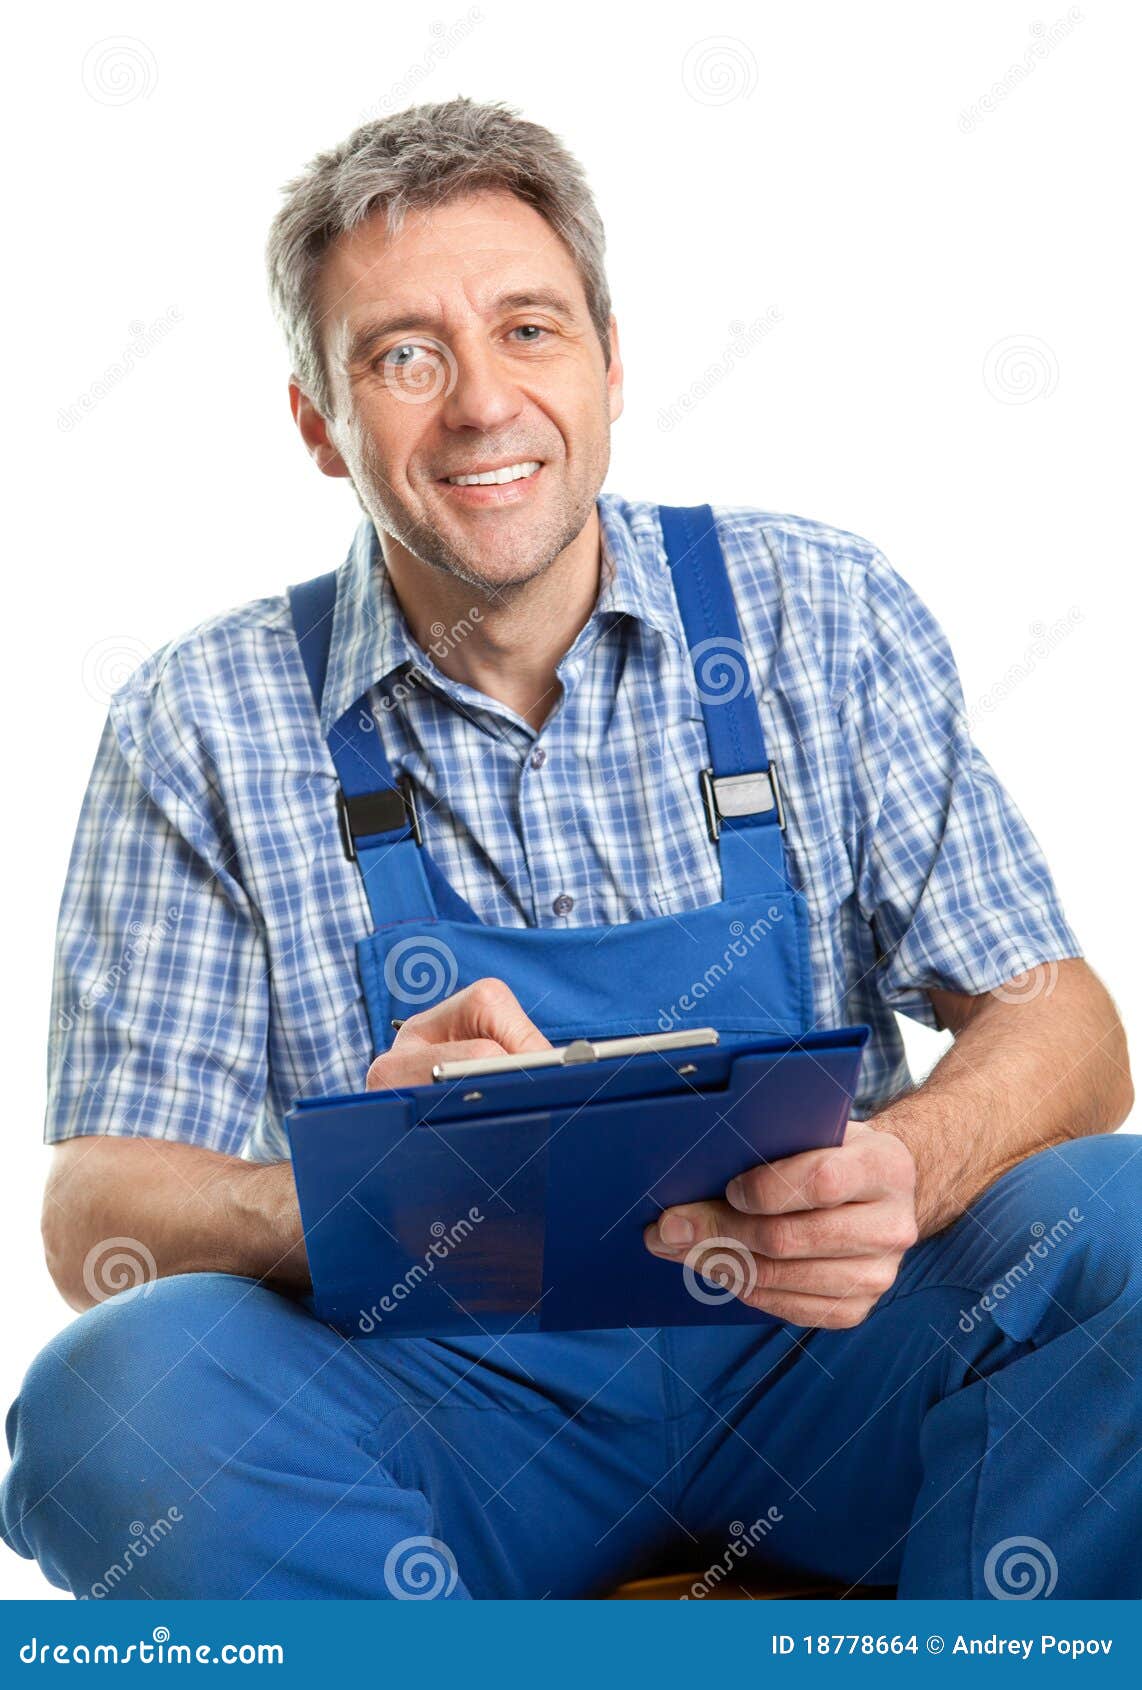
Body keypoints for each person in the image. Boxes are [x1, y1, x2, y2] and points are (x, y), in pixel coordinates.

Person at [1, 98, 1135, 1602]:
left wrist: (912, 1168)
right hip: (441, 1409)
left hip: (828, 1355)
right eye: (402, 355)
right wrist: (373, 1199)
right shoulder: (201, 719)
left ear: (609, 362)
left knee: (1118, 1232)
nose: (479, 404)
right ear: (316, 425)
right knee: (118, 1399)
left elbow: (1062, 1021)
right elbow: (99, 1217)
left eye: (527, 329)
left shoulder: (819, 615)